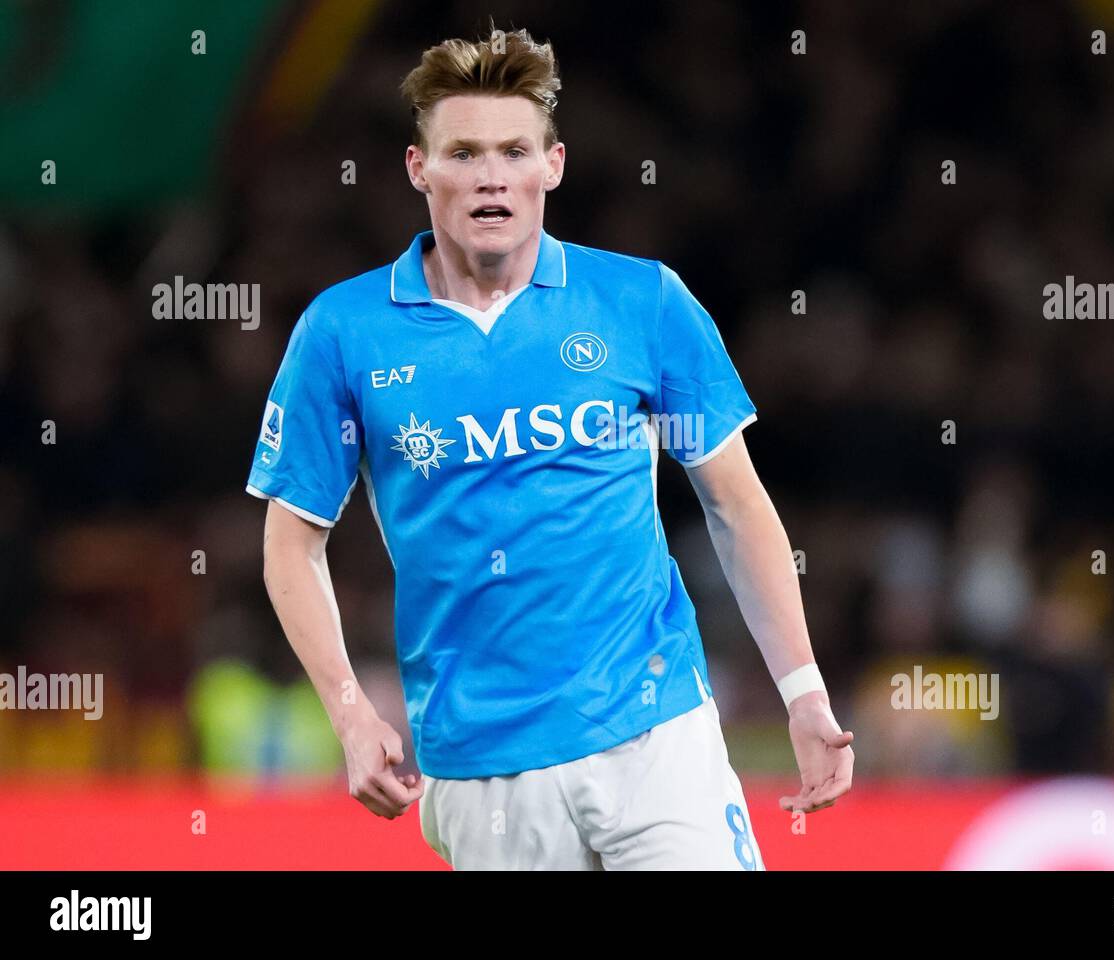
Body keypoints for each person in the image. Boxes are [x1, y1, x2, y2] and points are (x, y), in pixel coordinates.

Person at [248, 26, 853, 870]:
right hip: (483, 770)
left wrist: (803, 690)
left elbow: (734, 501)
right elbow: (290, 539)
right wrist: (350, 714)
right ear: (418, 169)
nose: (490, 174)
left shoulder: (640, 302)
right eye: (462, 152)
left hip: (655, 734)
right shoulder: (345, 333)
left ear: (553, 165)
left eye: (513, 150)